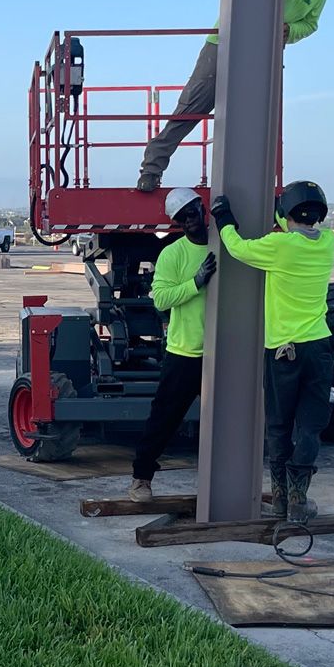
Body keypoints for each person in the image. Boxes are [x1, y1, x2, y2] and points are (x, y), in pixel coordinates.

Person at [136, 0, 334, 192]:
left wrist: (291, 30)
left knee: (251, 120)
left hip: (263, 55)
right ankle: (152, 169)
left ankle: (244, 183)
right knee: (190, 110)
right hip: (225, 42)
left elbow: (310, 24)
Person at [210, 180, 334, 524]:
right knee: (310, 426)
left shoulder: (278, 246)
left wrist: (224, 217)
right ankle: (299, 500)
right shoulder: (328, 242)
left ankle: (279, 500)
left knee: (279, 426)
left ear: (285, 213)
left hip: (283, 350)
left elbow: (237, 247)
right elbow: (296, 229)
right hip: (319, 347)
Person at [128, 189, 218, 502]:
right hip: (186, 351)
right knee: (164, 418)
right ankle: (141, 479)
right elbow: (161, 299)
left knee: (233, 420)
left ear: (202, 209)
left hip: (223, 353)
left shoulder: (225, 245)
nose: (189, 221)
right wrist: (196, 282)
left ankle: (232, 484)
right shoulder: (173, 254)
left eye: (192, 213)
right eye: (181, 219)